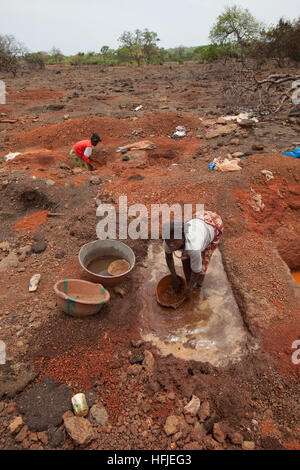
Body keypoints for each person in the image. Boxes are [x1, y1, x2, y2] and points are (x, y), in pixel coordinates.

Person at [163, 211, 224, 299]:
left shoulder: (193, 246)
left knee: (200, 275)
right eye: (168, 241)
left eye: (174, 240)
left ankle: (198, 285)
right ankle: (189, 281)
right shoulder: (167, 241)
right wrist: (174, 277)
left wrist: (189, 289)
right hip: (198, 219)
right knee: (186, 266)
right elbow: (168, 258)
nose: (171, 244)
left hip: (213, 226)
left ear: (183, 237)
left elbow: (197, 270)